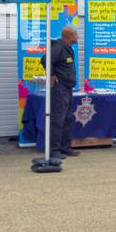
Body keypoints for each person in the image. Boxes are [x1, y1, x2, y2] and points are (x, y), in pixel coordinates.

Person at [47, 25, 79, 160]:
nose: (77, 37)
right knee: (58, 120)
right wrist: (52, 74)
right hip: (59, 89)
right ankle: (54, 151)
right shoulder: (58, 47)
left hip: (67, 88)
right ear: (69, 36)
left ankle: (65, 148)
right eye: (76, 35)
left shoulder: (68, 48)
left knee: (68, 119)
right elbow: (45, 60)